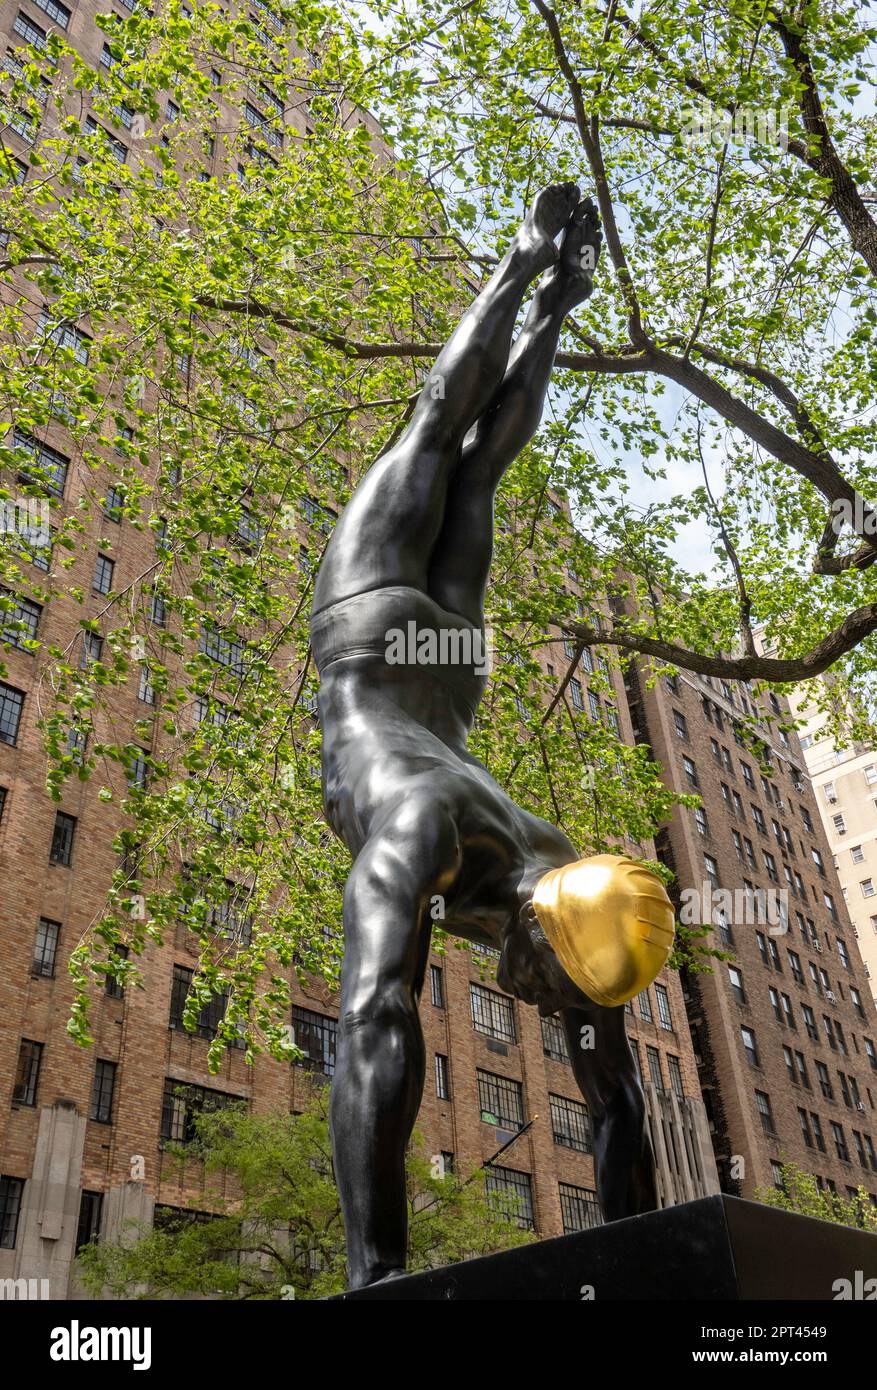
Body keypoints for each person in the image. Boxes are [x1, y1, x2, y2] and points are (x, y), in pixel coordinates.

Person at [310, 185, 673, 1289]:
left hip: (446, 664)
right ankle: (519, 266)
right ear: (540, 932)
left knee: (473, 459)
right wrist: (378, 1272)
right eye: (548, 985)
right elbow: (374, 1019)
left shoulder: (571, 876)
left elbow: (617, 1098)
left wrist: (643, 1262)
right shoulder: (423, 828)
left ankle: (551, 297)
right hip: (372, 625)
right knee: (437, 432)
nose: (540, 1000)